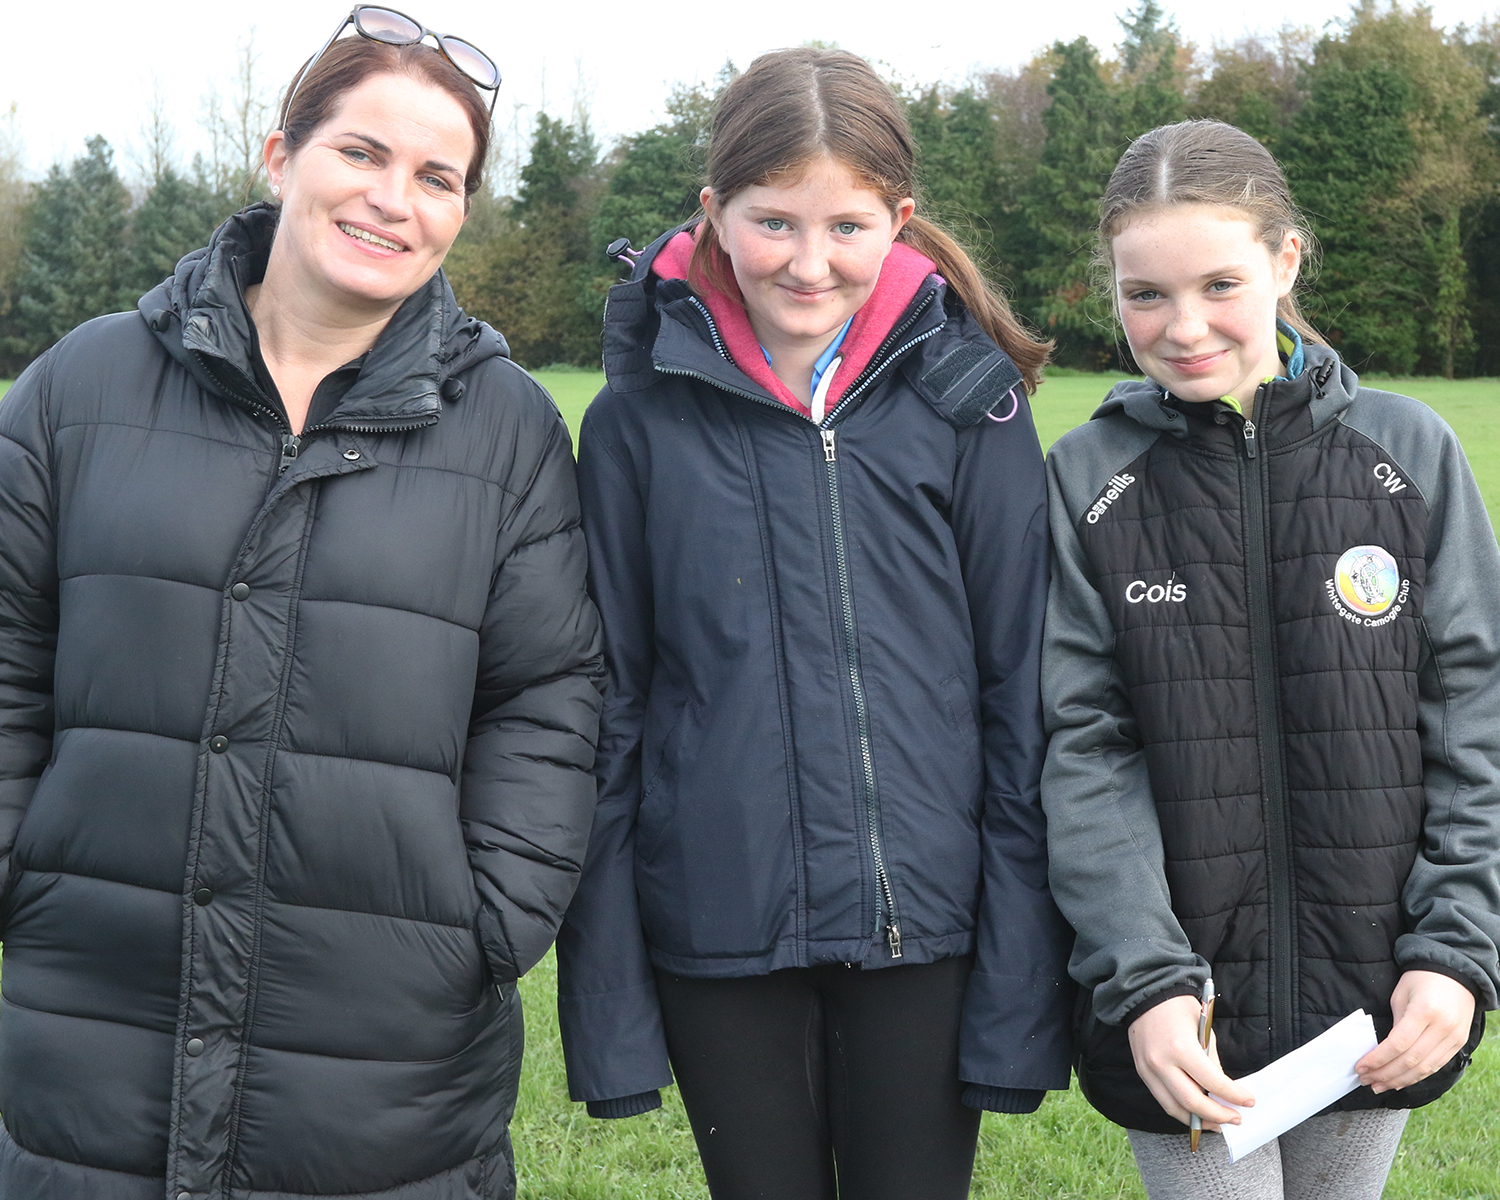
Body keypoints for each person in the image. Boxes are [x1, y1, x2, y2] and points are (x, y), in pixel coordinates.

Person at [0, 10, 602, 1199]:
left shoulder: (511, 431)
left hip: (390, 1066)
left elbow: (549, 693)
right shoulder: (80, 384)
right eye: (361, 153)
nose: (394, 198)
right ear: (281, 157)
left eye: (438, 176)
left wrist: (484, 918)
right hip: (90, 1024)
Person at [555, 46, 1074, 1200]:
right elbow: (613, 709)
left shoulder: (970, 400)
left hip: (926, 928)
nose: (808, 260)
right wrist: (606, 1001)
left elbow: (1019, 695)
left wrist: (1020, 960)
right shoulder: (637, 423)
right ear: (714, 214)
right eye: (773, 221)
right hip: (716, 929)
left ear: (898, 220)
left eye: (845, 226)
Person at [1041, 118, 1500, 1200]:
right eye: (1143, 293)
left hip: (1374, 997)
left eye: (1219, 284)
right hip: (1181, 1013)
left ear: (1286, 258)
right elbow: (1081, 746)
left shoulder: (1410, 451)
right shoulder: (1086, 479)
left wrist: (1456, 949)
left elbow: (1473, 714)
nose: (1182, 324)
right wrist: (1144, 979)